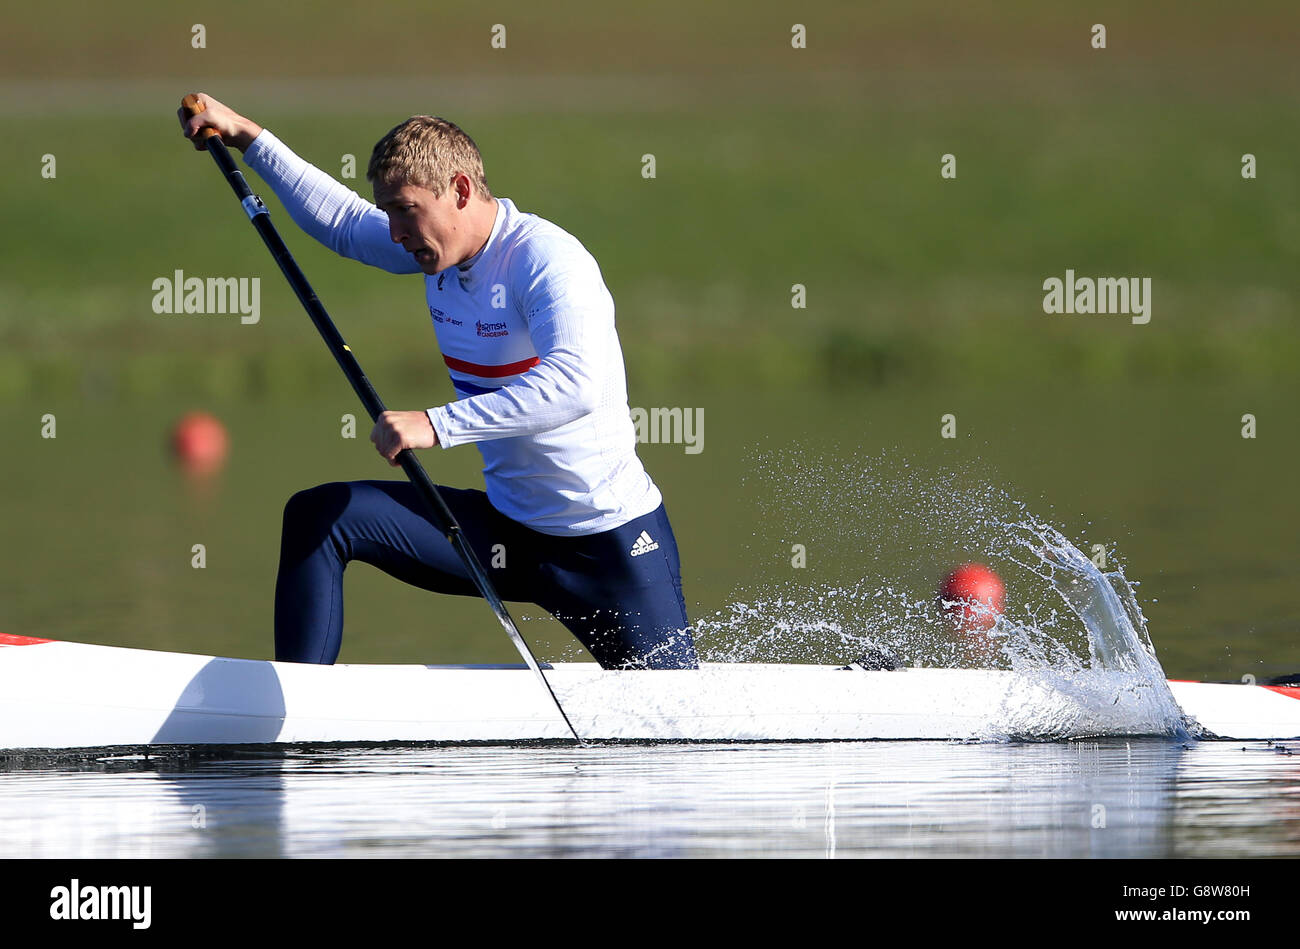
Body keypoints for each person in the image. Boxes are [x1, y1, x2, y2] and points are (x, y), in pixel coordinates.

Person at [180, 93, 698, 670]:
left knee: (670, 719)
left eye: (405, 211)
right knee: (320, 515)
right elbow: (347, 224)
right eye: (391, 213)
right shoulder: (440, 251)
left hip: (611, 545)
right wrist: (248, 136)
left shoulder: (548, 261)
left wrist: (435, 424)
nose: (396, 233)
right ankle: (301, 708)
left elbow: (575, 385)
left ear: (458, 190)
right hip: (507, 535)